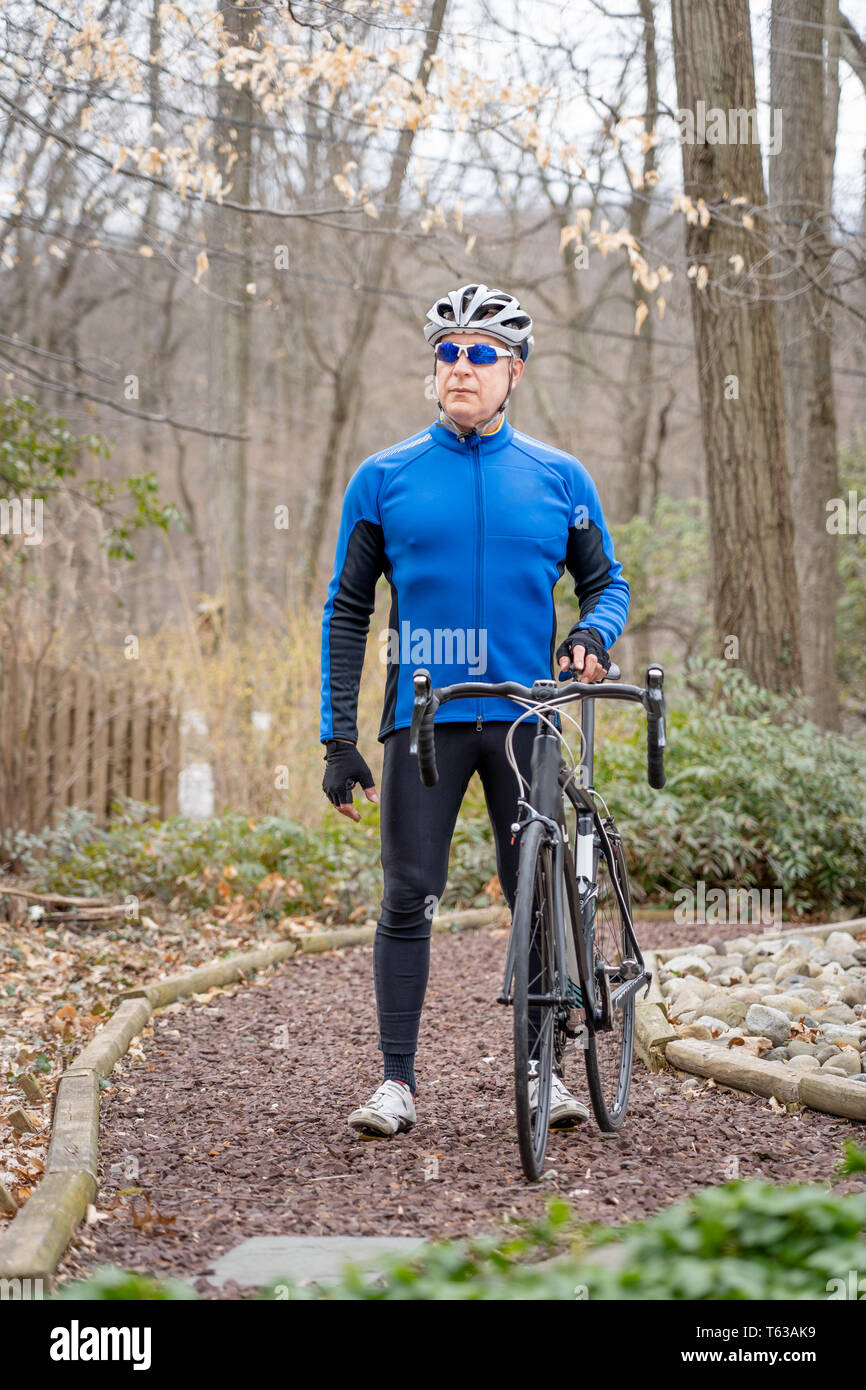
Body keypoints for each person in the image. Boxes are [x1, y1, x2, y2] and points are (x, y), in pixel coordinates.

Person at [320, 283, 630, 1138]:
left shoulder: (559, 478)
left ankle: (545, 1074)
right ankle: (397, 1083)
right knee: (408, 894)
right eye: (447, 353)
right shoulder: (384, 479)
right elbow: (346, 610)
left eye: (480, 354)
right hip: (427, 719)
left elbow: (608, 583)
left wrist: (591, 634)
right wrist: (337, 739)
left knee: (532, 897)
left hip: (529, 715)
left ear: (513, 371)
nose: (460, 366)